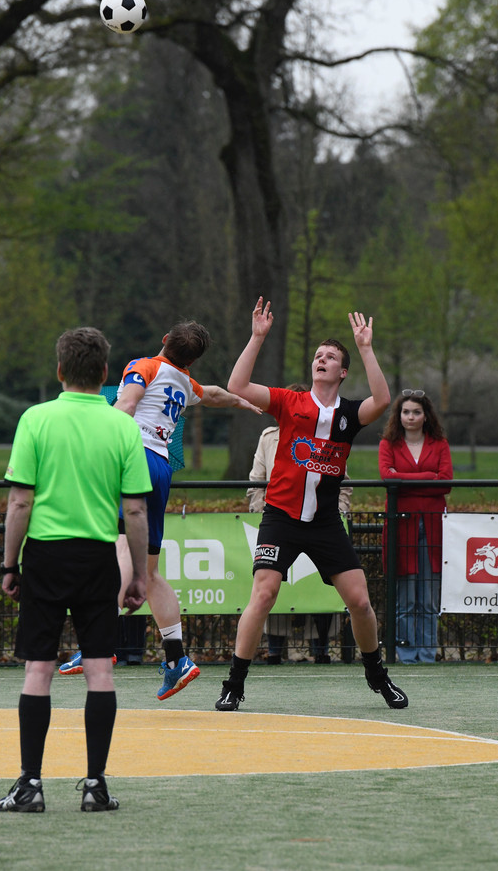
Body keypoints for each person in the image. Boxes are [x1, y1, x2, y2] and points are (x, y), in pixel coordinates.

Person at [217, 297, 405, 712]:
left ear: (343, 371)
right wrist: (257, 337)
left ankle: (377, 675)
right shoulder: (289, 401)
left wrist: (366, 347)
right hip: (281, 518)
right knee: (263, 594)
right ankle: (234, 683)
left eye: (331, 357)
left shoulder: (349, 415)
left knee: (360, 601)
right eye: (318, 356)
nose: (322, 360)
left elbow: (382, 399)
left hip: (324, 523)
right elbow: (237, 386)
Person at [57, 320, 260, 701]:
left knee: (119, 548)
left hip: (133, 456)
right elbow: (213, 394)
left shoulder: (144, 366)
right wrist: (241, 401)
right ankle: (176, 658)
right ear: (192, 361)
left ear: (165, 340)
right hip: (160, 467)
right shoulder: (184, 382)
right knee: (149, 573)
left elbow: (127, 405)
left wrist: (92, 443)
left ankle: (97, 643)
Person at [0, 326, 151, 814]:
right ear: (105, 373)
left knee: (38, 668)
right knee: (99, 668)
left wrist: (10, 564)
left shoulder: (35, 419)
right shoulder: (122, 426)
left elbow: (20, 502)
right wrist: (140, 574)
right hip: (98, 557)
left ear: (60, 370)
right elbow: (135, 511)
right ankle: (95, 786)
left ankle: (30, 785)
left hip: (45, 556)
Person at [249, 384, 352, 665]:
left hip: (322, 521)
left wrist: (337, 511)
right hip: (280, 518)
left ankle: (321, 647)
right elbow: (256, 479)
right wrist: (263, 512)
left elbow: (342, 479)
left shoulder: (328, 434)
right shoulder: (269, 437)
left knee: (328, 590)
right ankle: (271, 651)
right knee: (268, 589)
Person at [379, 389, 453, 664]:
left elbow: (445, 483)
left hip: (433, 525)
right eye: (406, 412)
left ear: (426, 416)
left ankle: (427, 653)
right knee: (406, 597)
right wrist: (428, 478)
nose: (410, 417)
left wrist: (405, 480)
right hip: (402, 525)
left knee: (429, 598)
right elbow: (387, 478)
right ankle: (407, 654)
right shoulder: (388, 444)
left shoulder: (440, 444)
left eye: (416, 412)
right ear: (399, 416)